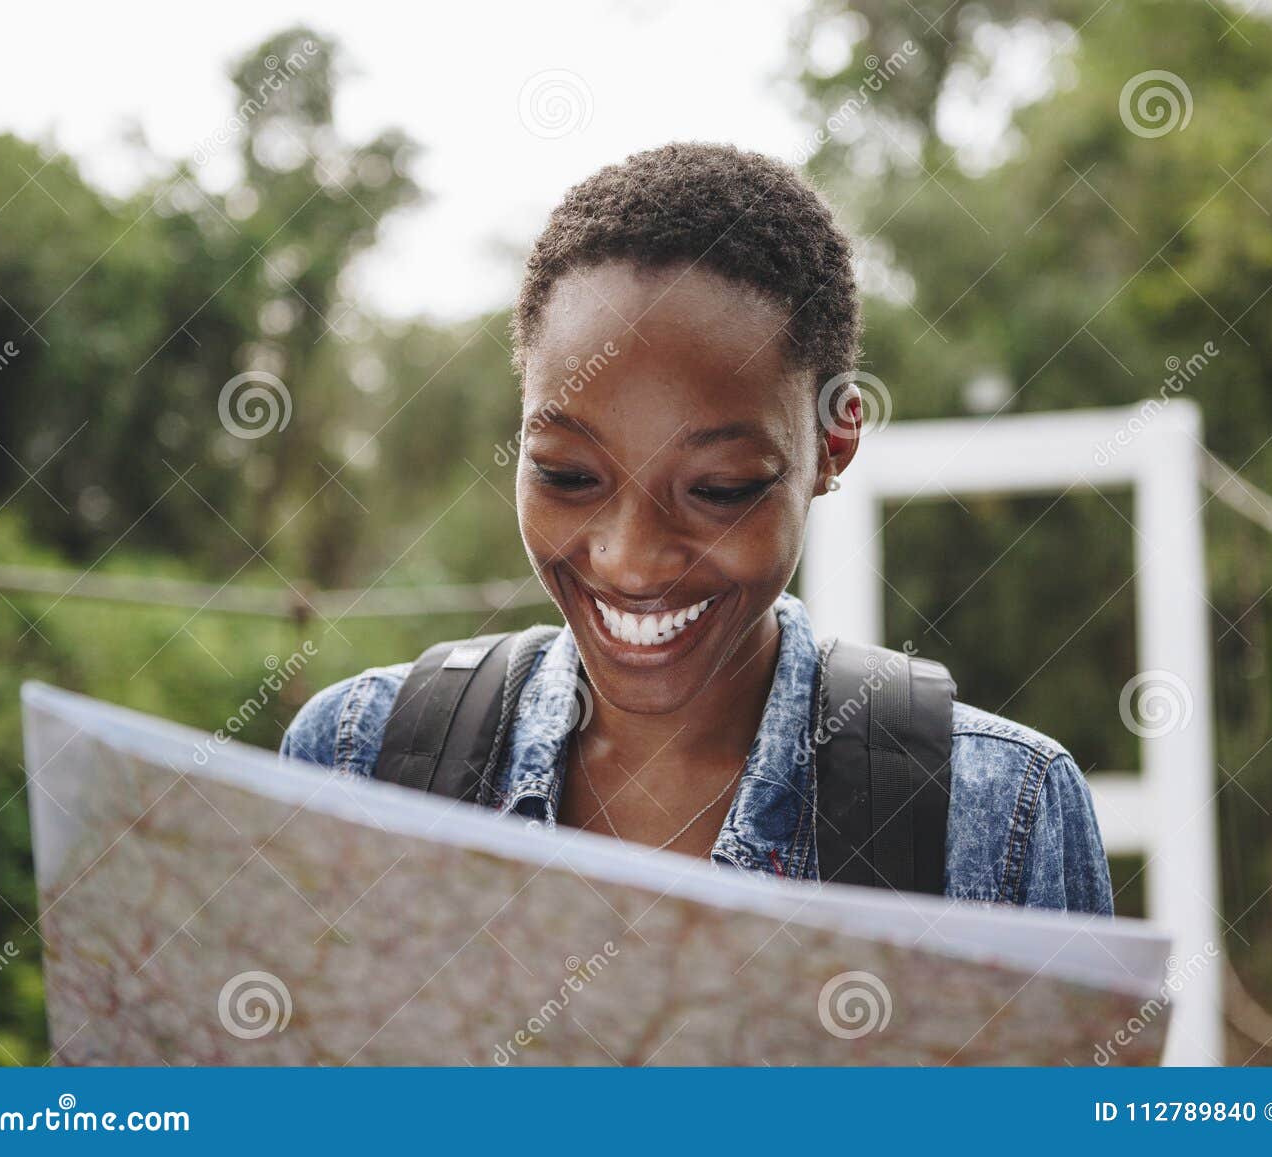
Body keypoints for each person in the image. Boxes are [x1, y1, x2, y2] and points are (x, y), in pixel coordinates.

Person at [281, 141, 1112, 914]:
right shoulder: (354, 761)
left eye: (719, 489)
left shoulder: (1004, 815)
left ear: (833, 442)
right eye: (568, 475)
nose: (633, 560)